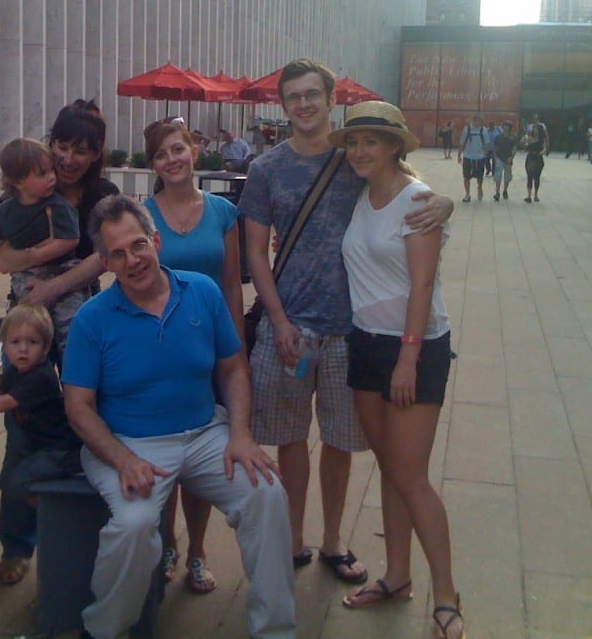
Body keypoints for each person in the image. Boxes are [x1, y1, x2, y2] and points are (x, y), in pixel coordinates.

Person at [238, 58, 453, 587]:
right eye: (294, 96)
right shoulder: (267, 169)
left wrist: (444, 201)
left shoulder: (354, 159)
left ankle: (333, 537)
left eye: (313, 94)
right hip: (290, 327)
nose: (304, 104)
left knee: (339, 442)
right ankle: (292, 537)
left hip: (351, 331)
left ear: (331, 99)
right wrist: (279, 320)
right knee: (289, 439)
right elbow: (256, 254)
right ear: (282, 104)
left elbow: (405, 189)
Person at [63, 194, 296, 639]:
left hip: (204, 431)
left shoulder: (202, 292)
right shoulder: (92, 319)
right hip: (129, 443)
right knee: (133, 526)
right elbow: (78, 406)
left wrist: (240, 433)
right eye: (118, 253)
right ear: (105, 262)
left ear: (156, 241)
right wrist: (121, 459)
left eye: (137, 245)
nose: (132, 260)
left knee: (266, 494)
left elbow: (233, 367)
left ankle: (276, 630)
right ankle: (103, 629)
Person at [326, 101, 464, 639]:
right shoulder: (362, 196)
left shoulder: (418, 201)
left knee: (411, 476)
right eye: (354, 141)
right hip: (366, 344)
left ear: (394, 146)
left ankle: (447, 595)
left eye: (371, 141)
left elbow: (423, 286)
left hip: (415, 349)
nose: (360, 151)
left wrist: (408, 356)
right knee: (389, 469)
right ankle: (397, 577)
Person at [0, 98, 120, 583]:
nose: (68, 159)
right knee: (21, 416)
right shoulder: (24, 185)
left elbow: (101, 255)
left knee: (87, 410)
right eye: (62, 145)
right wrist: (28, 267)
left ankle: (88, 528)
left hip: (78, 314)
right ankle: (17, 544)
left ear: (96, 153)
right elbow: (2, 257)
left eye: (81, 150)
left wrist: (47, 286)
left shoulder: (101, 194)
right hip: (25, 321)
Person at [143, 115, 245, 595]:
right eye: (162, 154)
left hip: (210, 348)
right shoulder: (143, 214)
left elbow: (231, 285)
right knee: (165, 453)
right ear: (153, 165)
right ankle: (166, 543)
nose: (172, 160)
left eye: (178, 149)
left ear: (194, 152)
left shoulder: (223, 212)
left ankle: (199, 550)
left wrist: (237, 348)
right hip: (159, 348)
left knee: (204, 455)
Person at [0, 305, 82, 585]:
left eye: (32, 343)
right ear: (5, 344)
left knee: (16, 483)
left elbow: (6, 402)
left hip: (59, 450)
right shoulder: (19, 370)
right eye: (15, 342)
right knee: (11, 483)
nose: (23, 349)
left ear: (46, 348)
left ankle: (52, 514)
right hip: (34, 443)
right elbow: (1, 387)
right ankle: (19, 545)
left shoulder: (41, 375)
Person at [0, 137, 85, 355]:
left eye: (51, 171)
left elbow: (70, 239)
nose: (51, 178)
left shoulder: (58, 206)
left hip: (62, 274)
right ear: (18, 182)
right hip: (24, 281)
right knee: (27, 330)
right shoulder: (6, 211)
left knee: (71, 329)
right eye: (42, 174)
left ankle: (72, 366)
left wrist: (39, 254)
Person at [457, 113, 488, 202]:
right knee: (466, 177)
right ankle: (467, 194)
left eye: (481, 121)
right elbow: (461, 143)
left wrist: (485, 155)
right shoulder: (467, 130)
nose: (480, 123)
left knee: (480, 177)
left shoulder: (483, 130)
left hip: (480, 158)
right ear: (474, 120)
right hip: (468, 156)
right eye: (479, 121)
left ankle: (479, 187)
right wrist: (459, 155)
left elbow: (486, 144)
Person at [523, 114, 550, 203]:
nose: (534, 130)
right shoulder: (529, 139)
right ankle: (529, 195)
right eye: (533, 129)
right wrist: (526, 143)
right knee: (529, 176)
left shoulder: (542, 141)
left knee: (537, 177)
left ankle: (536, 195)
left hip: (538, 158)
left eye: (536, 129)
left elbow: (545, 149)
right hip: (530, 158)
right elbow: (525, 149)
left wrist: (543, 151)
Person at [492, 121, 518, 201]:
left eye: (507, 126)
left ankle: (505, 190)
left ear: (510, 128)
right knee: (498, 176)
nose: (506, 128)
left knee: (507, 176)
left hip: (508, 159)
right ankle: (497, 192)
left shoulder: (513, 138)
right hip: (499, 158)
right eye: (504, 126)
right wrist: (495, 158)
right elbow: (495, 148)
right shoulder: (498, 137)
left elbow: (514, 149)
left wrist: (512, 157)